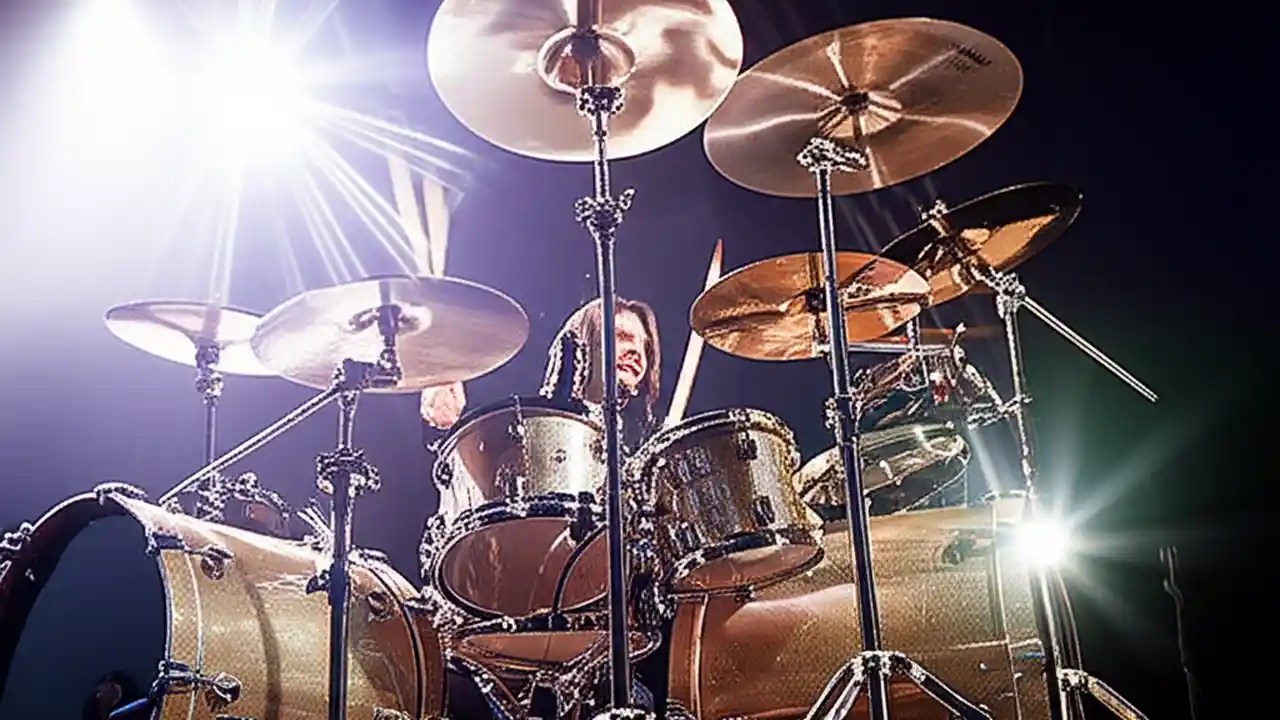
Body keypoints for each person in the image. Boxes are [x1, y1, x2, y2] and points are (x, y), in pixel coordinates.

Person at [421, 295, 667, 719]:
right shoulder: (529, 430)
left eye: (642, 346)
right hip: (510, 632)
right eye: (622, 336)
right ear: (584, 343)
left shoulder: (636, 454)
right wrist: (444, 404)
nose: (635, 352)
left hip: (599, 646)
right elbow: (473, 493)